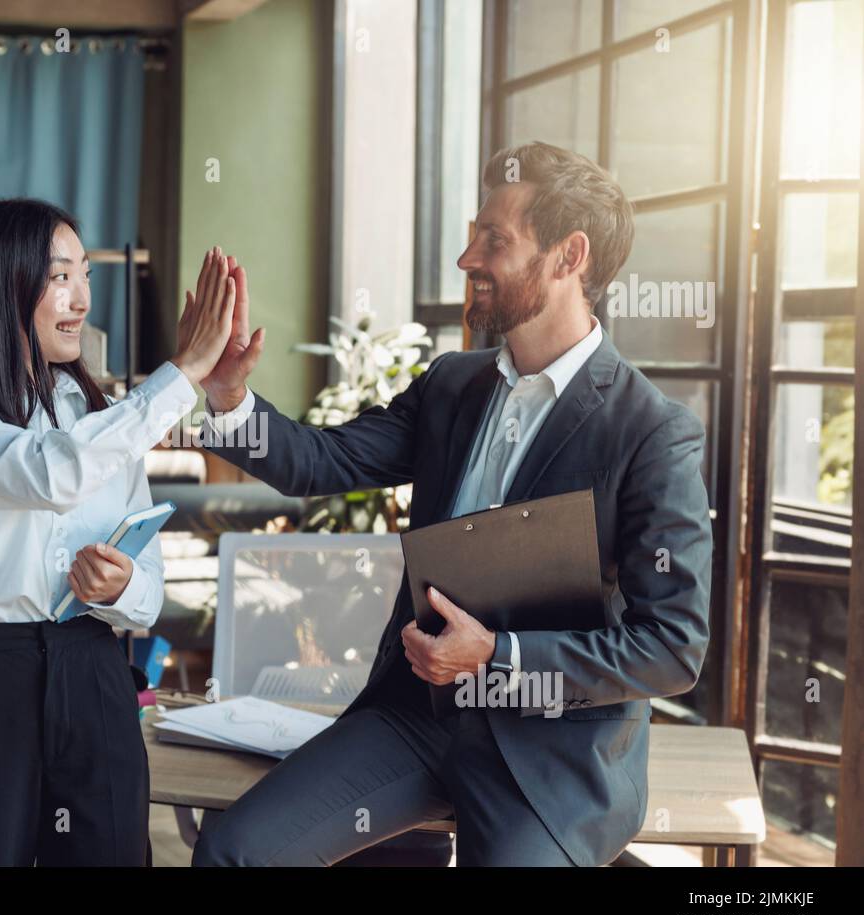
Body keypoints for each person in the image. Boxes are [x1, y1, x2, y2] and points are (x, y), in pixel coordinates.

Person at [191, 142, 713, 867]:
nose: (467, 258)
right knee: (234, 852)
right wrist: (227, 398)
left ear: (570, 258)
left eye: (494, 240)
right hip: (418, 719)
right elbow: (324, 458)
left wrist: (498, 656)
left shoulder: (652, 432)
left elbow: (672, 647)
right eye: (473, 234)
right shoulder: (450, 386)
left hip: (549, 753)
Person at [0, 197, 236, 865]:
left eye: (85, 274)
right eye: (60, 277)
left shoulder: (104, 416)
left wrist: (119, 587)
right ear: (2, 283)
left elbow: (149, 596)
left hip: (95, 672)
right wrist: (181, 375)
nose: (81, 298)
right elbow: (46, 474)